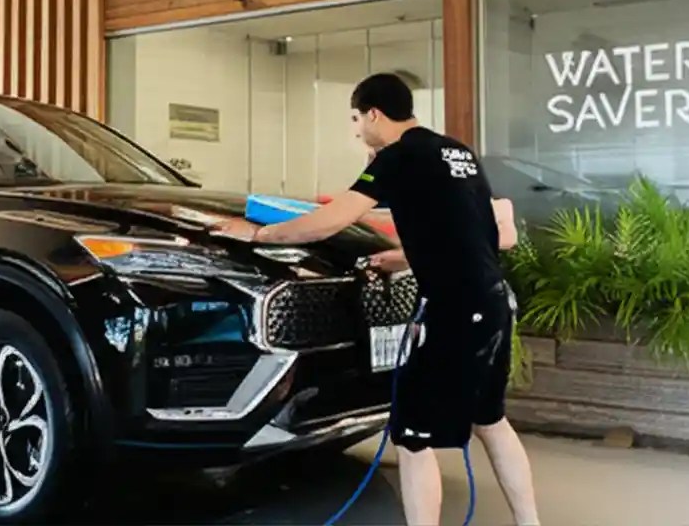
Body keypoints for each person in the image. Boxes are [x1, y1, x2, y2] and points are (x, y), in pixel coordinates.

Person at [213, 73, 539, 526]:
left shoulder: (396, 158)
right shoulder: (456, 151)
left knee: (412, 437)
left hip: (456, 310)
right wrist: (406, 258)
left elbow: (327, 222)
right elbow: (492, 234)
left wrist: (258, 234)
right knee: (490, 421)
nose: (355, 131)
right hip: (492, 301)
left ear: (374, 114)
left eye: (355, 119)